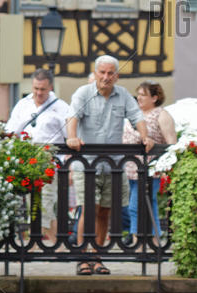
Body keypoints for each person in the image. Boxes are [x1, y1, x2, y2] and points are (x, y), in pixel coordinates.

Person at [66, 55, 149, 274]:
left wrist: (145, 137)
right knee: (88, 209)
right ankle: (83, 258)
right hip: (87, 164)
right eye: (102, 72)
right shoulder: (83, 93)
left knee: (104, 212)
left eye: (110, 73)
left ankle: (97, 257)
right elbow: (72, 117)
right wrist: (72, 137)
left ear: (116, 76)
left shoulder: (123, 95)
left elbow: (137, 117)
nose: (106, 77)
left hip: (113, 164)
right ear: (95, 74)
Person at [5, 68, 74, 240]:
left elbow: (70, 137)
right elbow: (11, 131)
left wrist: (70, 165)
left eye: (43, 89)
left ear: (51, 87)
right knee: (34, 203)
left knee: (45, 202)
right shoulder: (23, 104)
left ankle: (34, 243)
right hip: (27, 161)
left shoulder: (61, 107)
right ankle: (58, 244)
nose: (38, 93)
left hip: (50, 162)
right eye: (35, 88)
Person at [122, 83, 176, 240]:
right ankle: (154, 242)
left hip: (149, 169)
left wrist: (167, 167)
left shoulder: (161, 115)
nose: (139, 97)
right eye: (138, 94)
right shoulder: (135, 114)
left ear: (154, 98)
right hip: (130, 169)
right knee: (149, 205)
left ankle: (138, 243)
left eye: (143, 95)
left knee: (135, 206)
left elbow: (171, 143)